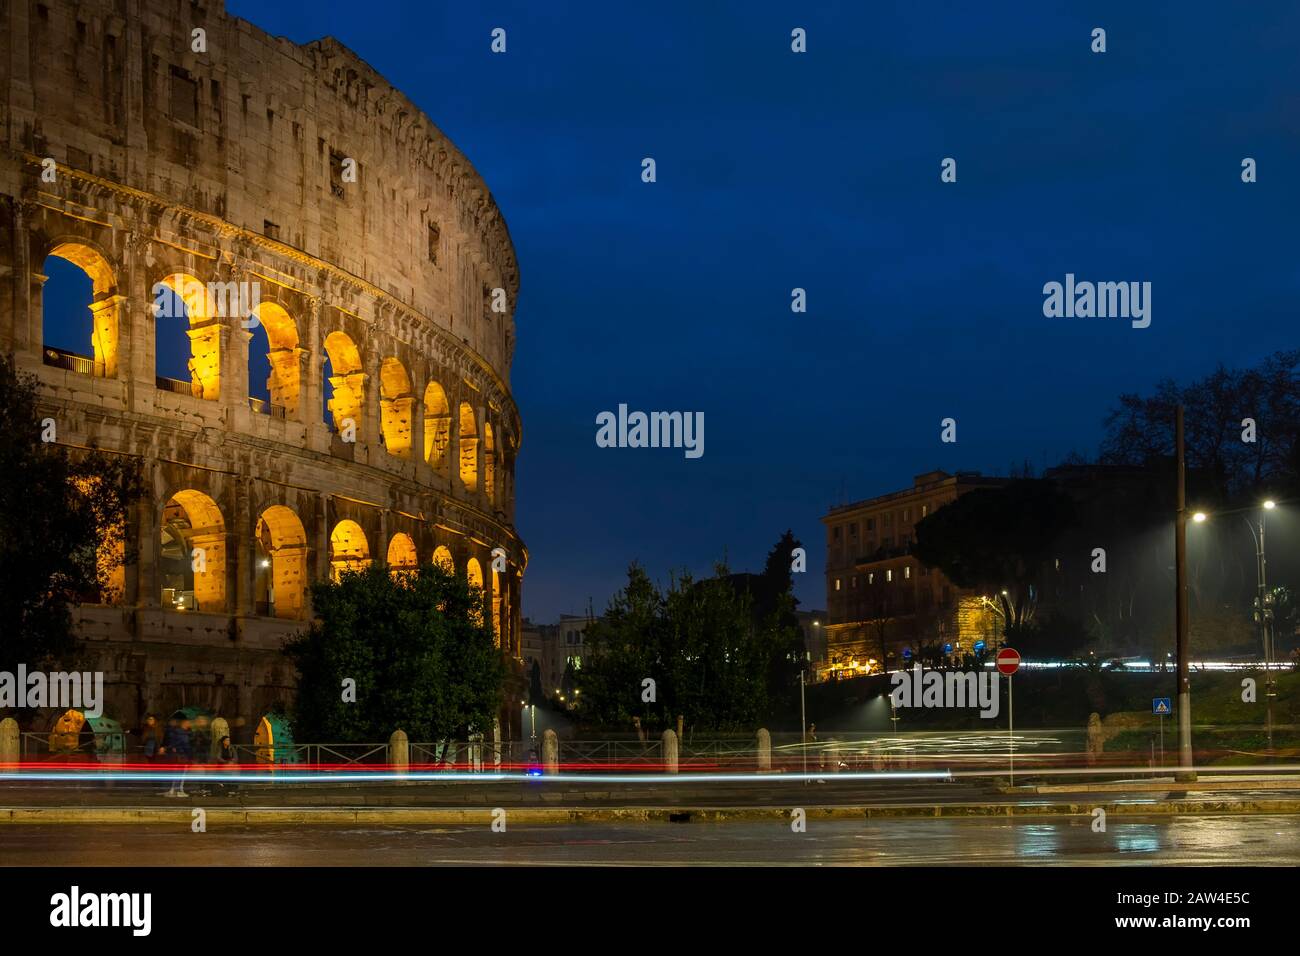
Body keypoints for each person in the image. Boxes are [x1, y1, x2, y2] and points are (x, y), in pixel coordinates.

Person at [158, 714, 193, 797]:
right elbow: (183, 744)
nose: (189, 724)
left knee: (178, 773)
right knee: (180, 774)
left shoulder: (178, 732)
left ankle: (174, 790)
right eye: (188, 722)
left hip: (179, 755)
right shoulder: (181, 732)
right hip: (181, 755)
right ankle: (177, 790)